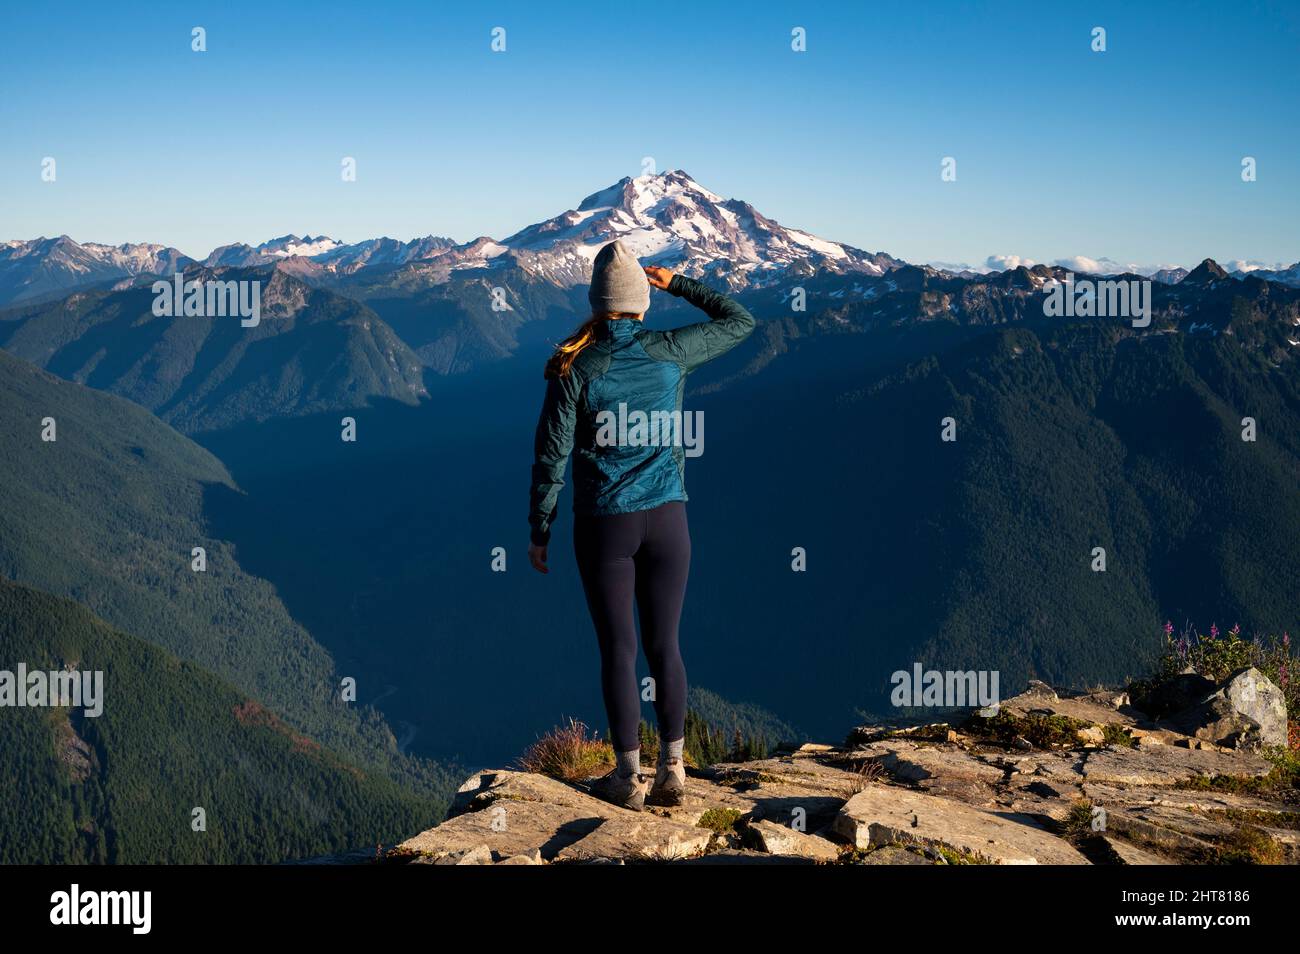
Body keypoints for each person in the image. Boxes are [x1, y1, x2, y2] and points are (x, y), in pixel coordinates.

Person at [528, 239, 755, 810]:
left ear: (596, 303)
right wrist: (678, 282)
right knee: (665, 646)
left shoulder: (573, 369)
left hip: (606, 524)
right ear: (639, 303)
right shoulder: (671, 350)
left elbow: (551, 456)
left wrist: (540, 527)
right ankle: (673, 773)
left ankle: (626, 778)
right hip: (669, 519)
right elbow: (741, 320)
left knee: (618, 650)